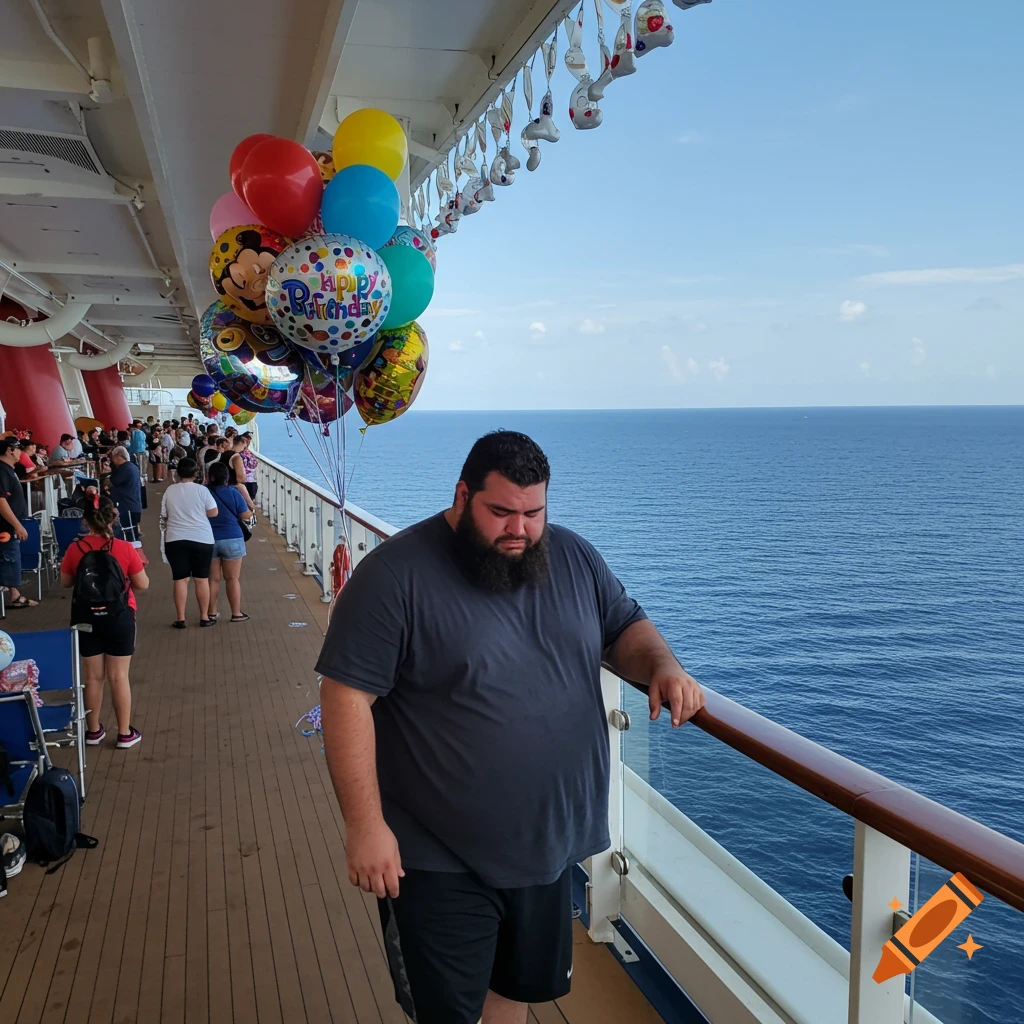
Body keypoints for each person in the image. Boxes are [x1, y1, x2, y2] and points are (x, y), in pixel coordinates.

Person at [315, 431, 705, 1024]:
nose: (518, 529)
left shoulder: (574, 558)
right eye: (500, 512)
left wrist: (663, 666)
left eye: (533, 513)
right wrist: (365, 826)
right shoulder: (395, 577)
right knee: (447, 1013)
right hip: (434, 856)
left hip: (547, 850)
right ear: (462, 494)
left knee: (514, 998)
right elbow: (345, 698)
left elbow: (625, 626)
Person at [60, 495, 148, 749]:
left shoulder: (75, 549)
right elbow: (142, 584)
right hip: (119, 616)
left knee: (93, 676)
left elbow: (66, 583)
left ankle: (93, 730)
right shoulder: (124, 548)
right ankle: (123, 734)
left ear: (85, 521)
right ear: (114, 518)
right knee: (118, 676)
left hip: (86, 617)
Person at [160, 457, 218, 628]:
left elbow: (164, 514)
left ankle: (180, 619)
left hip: (175, 539)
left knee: (180, 579)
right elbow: (213, 512)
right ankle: (204, 617)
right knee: (201, 579)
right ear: (196, 473)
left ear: (178, 473)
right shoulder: (202, 490)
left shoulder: (170, 491)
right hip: (202, 538)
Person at [205, 462, 250, 622]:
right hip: (232, 538)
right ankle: (236, 613)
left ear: (210, 477)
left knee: (213, 579)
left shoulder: (204, 492)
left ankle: (211, 613)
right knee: (232, 578)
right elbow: (245, 515)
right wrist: (250, 505)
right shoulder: (233, 492)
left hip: (209, 538)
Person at [0, 438, 36, 609]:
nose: (20, 452)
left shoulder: (8, 469)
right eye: (17, 448)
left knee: (10, 558)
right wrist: (17, 525)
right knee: (9, 558)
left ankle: (14, 594)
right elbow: (1, 502)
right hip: (5, 526)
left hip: (9, 525)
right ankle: (14, 596)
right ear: (9, 450)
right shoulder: (2, 470)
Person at [107, 446, 143, 546]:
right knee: (131, 534)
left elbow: (114, 480)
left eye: (113, 458)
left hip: (127, 506)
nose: (113, 461)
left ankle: (134, 557)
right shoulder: (132, 466)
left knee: (129, 536)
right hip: (133, 505)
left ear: (119, 457)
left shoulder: (124, 469)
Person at [219, 434, 256, 512]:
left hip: (223, 487)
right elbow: (241, 479)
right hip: (235, 490)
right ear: (244, 442)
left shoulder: (225, 454)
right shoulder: (236, 457)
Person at [238, 432, 259, 502]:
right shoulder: (245, 453)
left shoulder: (239, 452)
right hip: (249, 479)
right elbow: (253, 464)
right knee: (249, 499)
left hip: (246, 479)